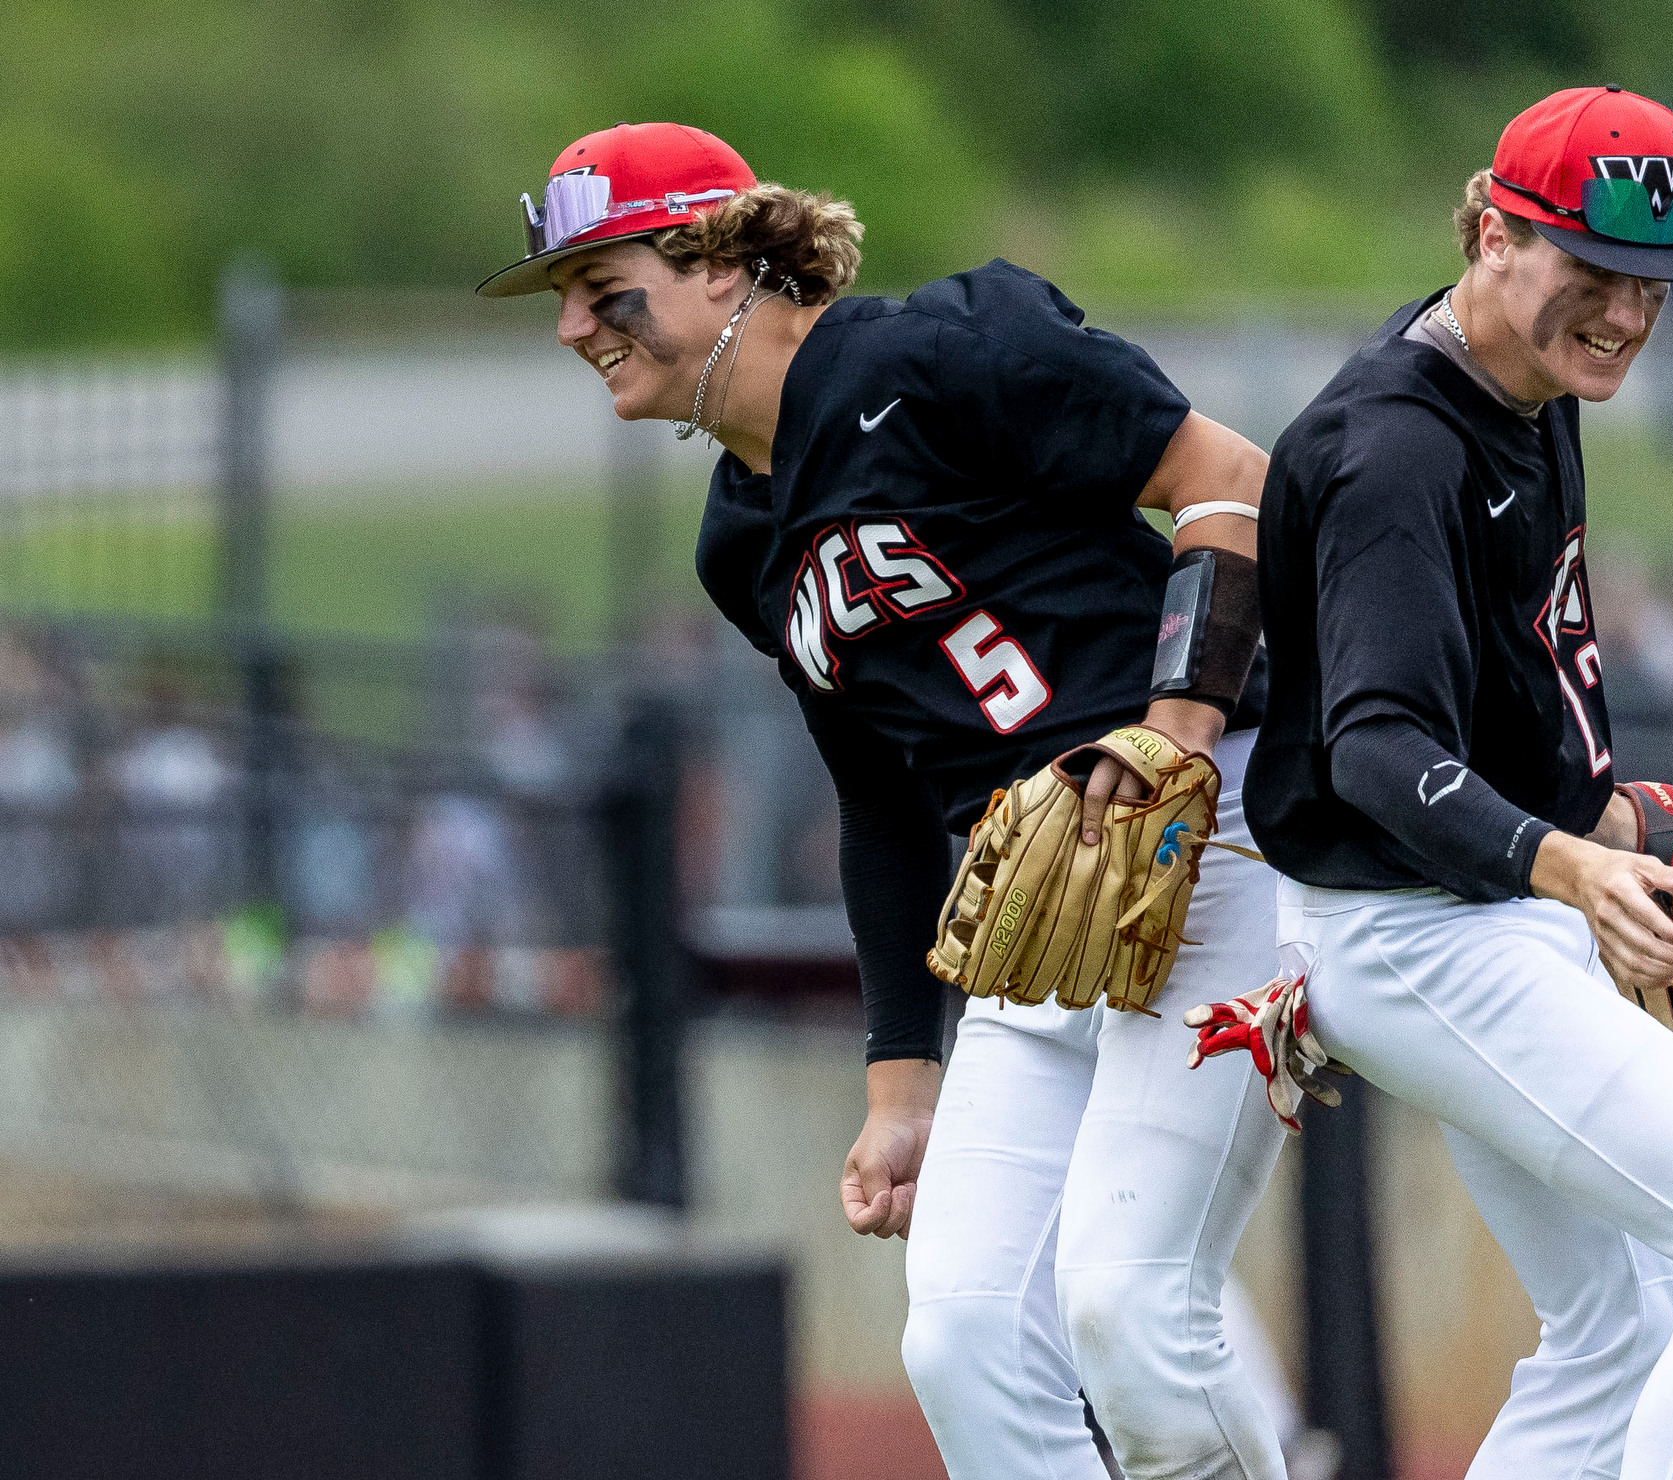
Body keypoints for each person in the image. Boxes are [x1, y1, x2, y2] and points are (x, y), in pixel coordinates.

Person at [479, 124, 1290, 1479]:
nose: (569, 324)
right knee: (961, 1342)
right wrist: (900, 1085)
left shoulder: (941, 351)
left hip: (1219, 839)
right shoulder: (738, 538)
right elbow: (879, 799)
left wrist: (1168, 751)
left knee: (1130, 1315)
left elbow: (1232, 483)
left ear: (723, 261)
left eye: (598, 279)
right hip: (1033, 910)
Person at [1231, 88, 1673, 1480]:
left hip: (1468, 910)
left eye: (1651, 283)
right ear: (1490, 231)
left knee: (1612, 1332)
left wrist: (1603, 816)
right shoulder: (1395, 446)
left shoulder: (1514, 378)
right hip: (1418, 932)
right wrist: (1567, 862)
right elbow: (1375, 746)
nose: (1628, 317)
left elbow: (1485, 697)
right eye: (1592, 276)